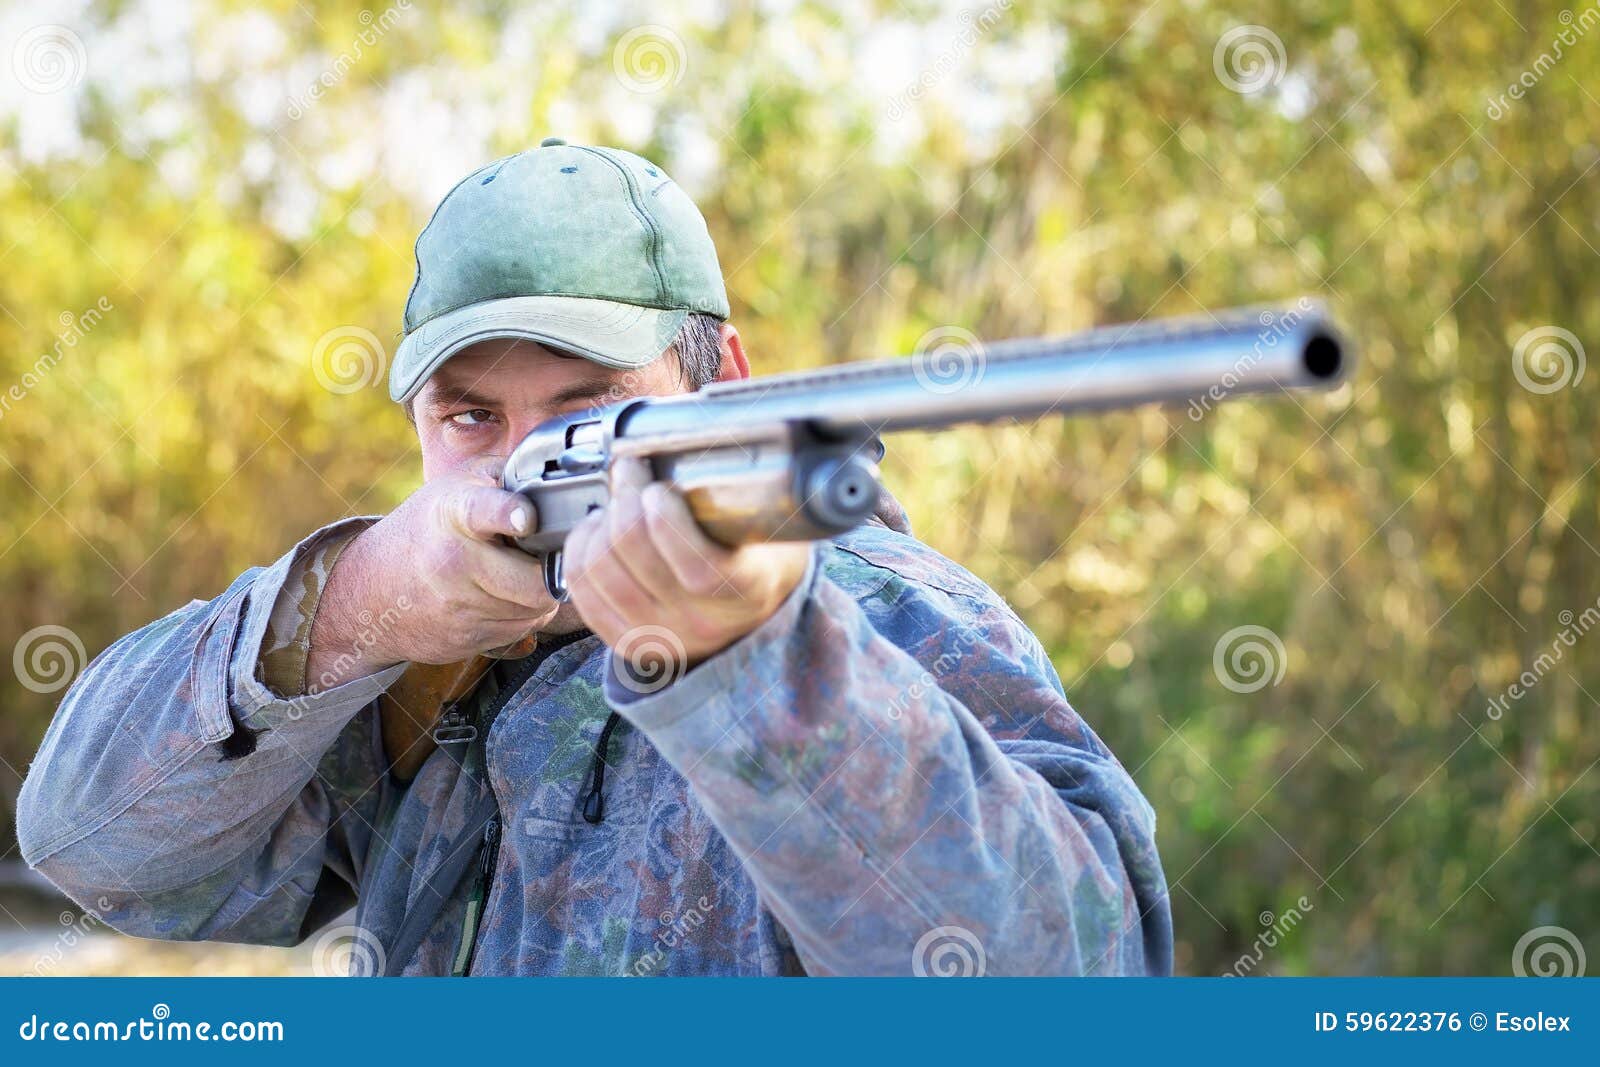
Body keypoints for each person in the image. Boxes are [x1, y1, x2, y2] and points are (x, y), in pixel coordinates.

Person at [18, 139, 1172, 976]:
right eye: (471, 420)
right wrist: (358, 607)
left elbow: (1075, 981)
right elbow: (90, 847)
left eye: (588, 409)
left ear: (722, 380)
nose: (526, 466)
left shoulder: (884, 618)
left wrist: (757, 662)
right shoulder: (437, 650)